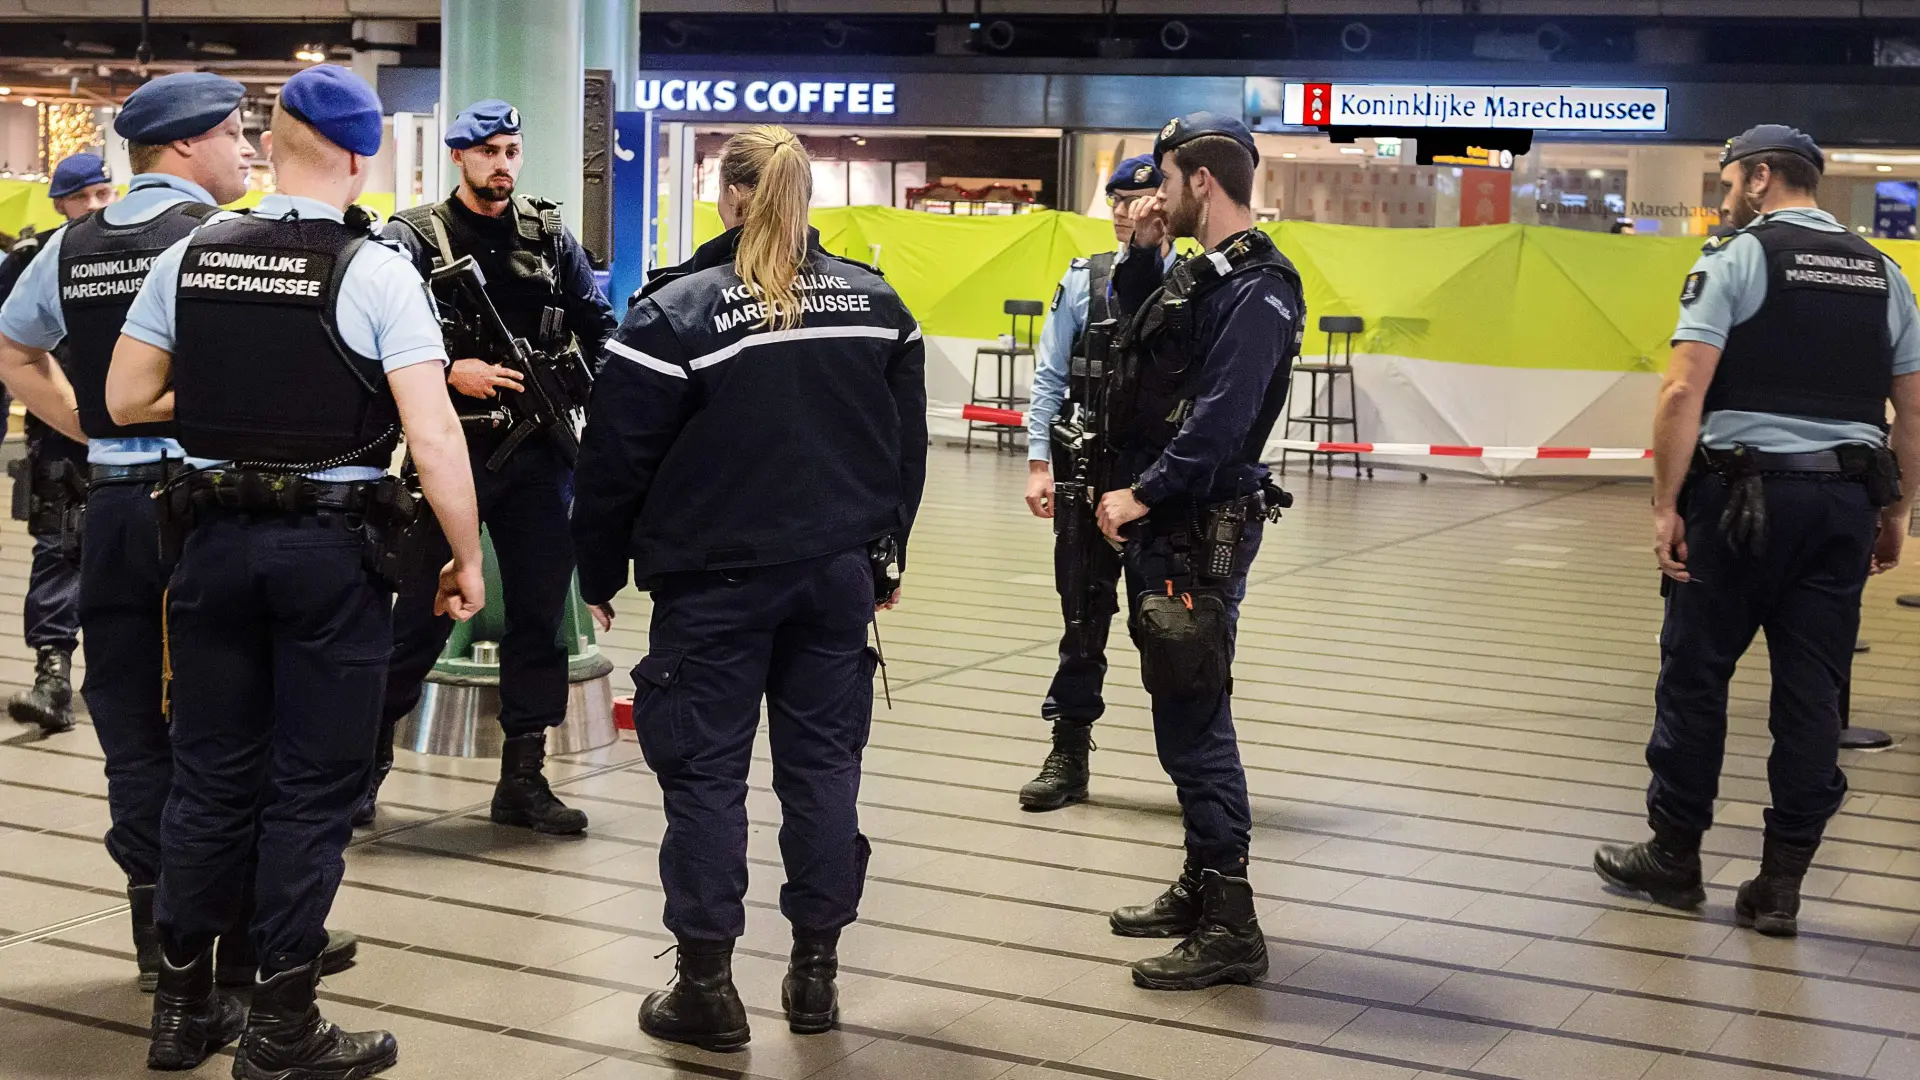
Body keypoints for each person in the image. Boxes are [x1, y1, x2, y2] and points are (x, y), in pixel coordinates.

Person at [105, 64, 485, 1076]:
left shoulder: (190, 251)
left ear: (271, 144)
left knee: (210, 774)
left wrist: (239, 405)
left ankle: (183, 1008)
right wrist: (465, 557)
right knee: (313, 787)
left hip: (210, 544)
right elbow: (435, 436)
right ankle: (281, 1027)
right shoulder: (375, 270)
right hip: (331, 553)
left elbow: (125, 393)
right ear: (363, 157)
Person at [571, 125, 926, 1051]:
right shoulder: (878, 305)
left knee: (705, 780)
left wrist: (598, 571)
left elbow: (613, 462)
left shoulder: (672, 316)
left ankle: (708, 989)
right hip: (834, 582)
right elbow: (903, 452)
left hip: (714, 592)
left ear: (725, 195)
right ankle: (815, 978)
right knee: (823, 775)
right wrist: (884, 558)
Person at [0, 72, 355, 993]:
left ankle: (159, 935)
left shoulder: (72, 244)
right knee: (233, 728)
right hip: (207, 510)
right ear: (187, 146)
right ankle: (238, 943)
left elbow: (12, 349)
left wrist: (89, 425)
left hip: (112, 510)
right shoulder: (220, 243)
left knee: (127, 718)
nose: (247, 150)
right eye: (236, 134)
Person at [1595, 125, 1920, 939]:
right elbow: (1912, 412)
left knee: (1696, 678)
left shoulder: (1734, 257)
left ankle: (1675, 859)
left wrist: (1665, 503)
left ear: (1763, 176)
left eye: (1729, 179)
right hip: (1842, 505)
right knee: (1813, 695)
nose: (1724, 194)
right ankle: (1780, 885)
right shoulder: (1885, 274)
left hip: (1738, 506)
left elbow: (1681, 392)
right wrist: (1897, 511)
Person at [358, 97, 617, 834]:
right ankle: (360, 771)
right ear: (459, 158)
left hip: (538, 456)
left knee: (540, 620)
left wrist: (581, 387)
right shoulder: (413, 238)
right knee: (417, 617)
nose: (501, 164)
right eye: (488, 152)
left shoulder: (549, 235)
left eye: (511, 150)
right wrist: (450, 370)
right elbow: (370, 341)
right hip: (452, 454)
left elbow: (600, 327)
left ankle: (523, 780)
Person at [1094, 113, 1304, 990]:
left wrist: (1143, 492)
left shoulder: (1261, 288)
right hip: (1169, 524)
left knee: (1196, 718)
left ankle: (1232, 919)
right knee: (1180, 714)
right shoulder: (1202, 274)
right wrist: (1143, 256)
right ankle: (1200, 880)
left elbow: (1219, 422)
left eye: (1168, 183)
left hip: (1194, 526)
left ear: (1202, 184)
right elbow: (1148, 348)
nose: (1158, 196)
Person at [1017, 153, 1176, 812]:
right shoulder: (1085, 279)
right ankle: (1069, 751)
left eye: (1133, 198)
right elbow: (1052, 375)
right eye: (1113, 199)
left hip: (1160, 481)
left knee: (1168, 625)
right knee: (1081, 617)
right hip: (1086, 473)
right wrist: (1036, 463)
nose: (1120, 210)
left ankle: (1193, 765)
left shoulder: (1192, 282)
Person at [0, 152, 113, 735]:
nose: (93, 207)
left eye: (102, 194)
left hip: (135, 431)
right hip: (59, 430)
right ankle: (53, 673)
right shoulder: (30, 261)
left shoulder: (134, 248)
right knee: (59, 548)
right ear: (59, 203)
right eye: (81, 197)